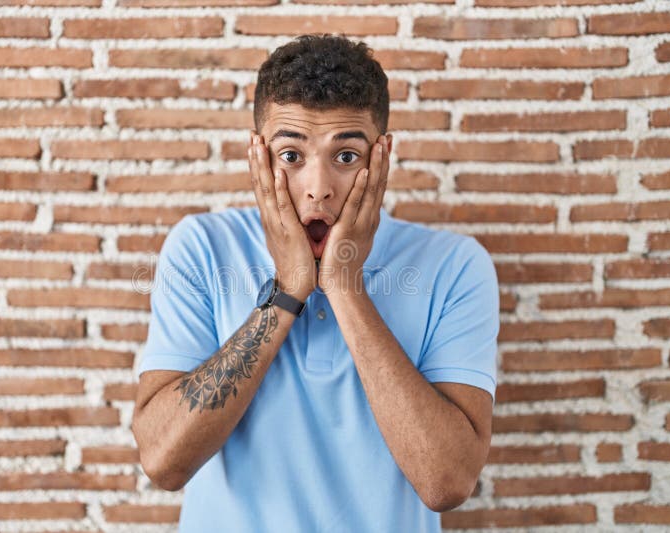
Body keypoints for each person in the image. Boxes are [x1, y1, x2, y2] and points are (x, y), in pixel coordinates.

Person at [132, 34, 499, 532]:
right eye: (291, 155)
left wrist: (344, 285)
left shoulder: (455, 265)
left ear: (381, 156)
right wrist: (288, 290)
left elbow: (446, 482)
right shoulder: (201, 247)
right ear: (258, 155)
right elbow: (164, 461)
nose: (318, 186)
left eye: (346, 156)